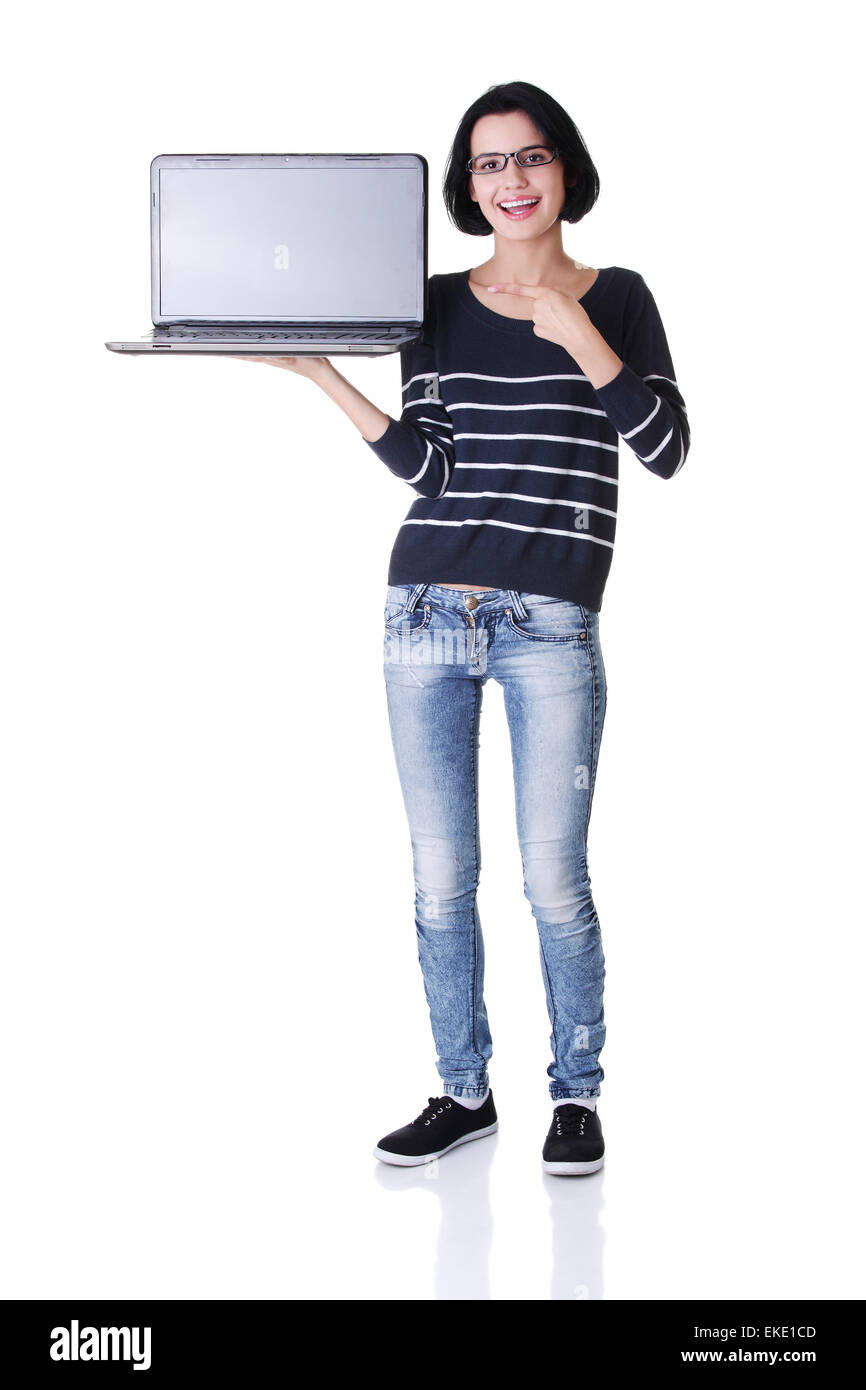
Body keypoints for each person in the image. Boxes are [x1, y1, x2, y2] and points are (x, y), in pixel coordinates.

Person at [232, 80, 690, 1176]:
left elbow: (666, 448)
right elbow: (432, 465)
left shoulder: (616, 297)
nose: (510, 181)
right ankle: (461, 1088)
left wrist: (577, 331)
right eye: (488, 164)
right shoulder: (430, 304)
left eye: (528, 159)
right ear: (466, 186)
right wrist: (324, 380)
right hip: (425, 603)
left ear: (563, 170)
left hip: (550, 622)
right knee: (440, 877)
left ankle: (573, 1097)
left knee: (552, 880)